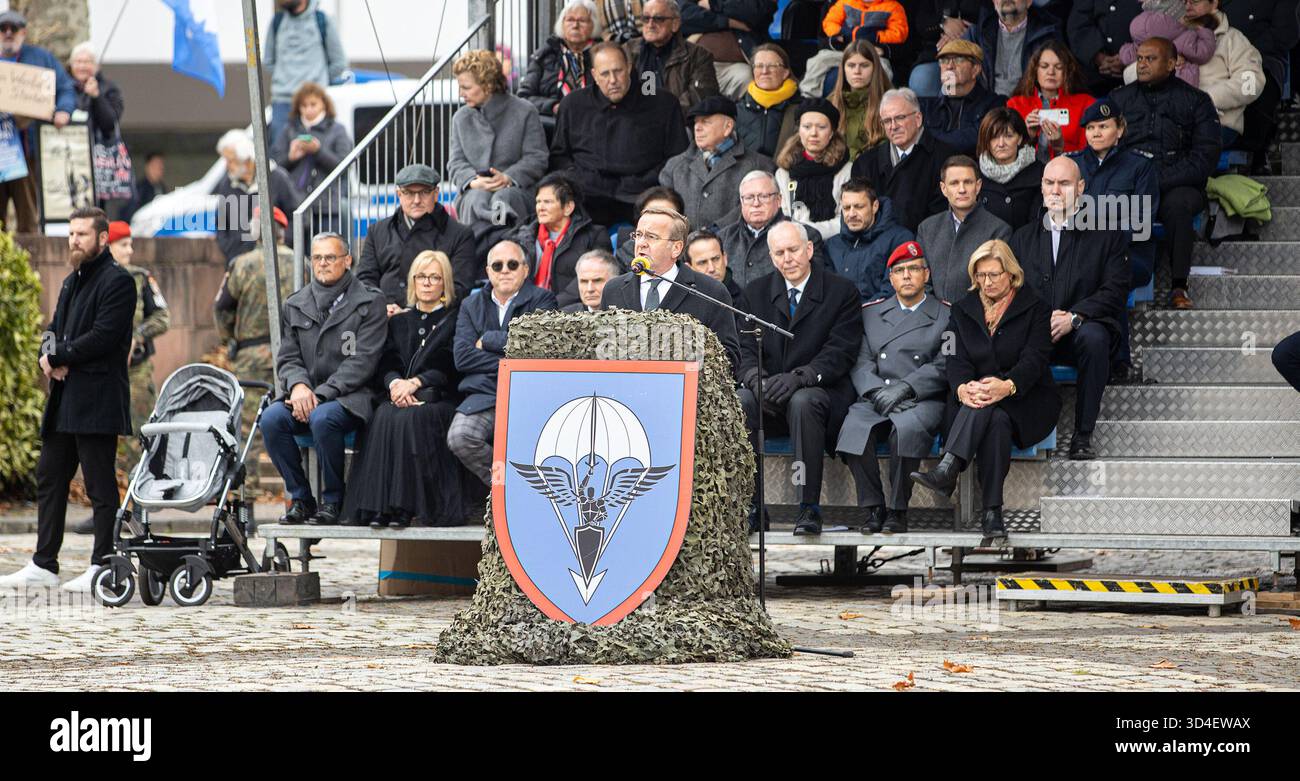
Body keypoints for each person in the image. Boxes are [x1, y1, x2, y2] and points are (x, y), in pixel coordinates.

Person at [0, 208, 134, 592]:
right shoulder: (72, 280)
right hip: (65, 398)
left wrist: (58, 357)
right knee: (50, 476)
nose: (75, 240)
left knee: (99, 483)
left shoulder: (118, 281)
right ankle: (44, 563)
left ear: (103, 238)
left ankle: (102, 563)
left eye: (82, 234)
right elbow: (53, 327)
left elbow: (104, 336)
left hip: (97, 398)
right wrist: (48, 353)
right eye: (71, 234)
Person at [909, 239, 1061, 537]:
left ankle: (949, 466)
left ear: (1011, 274)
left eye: (994, 275)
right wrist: (963, 388)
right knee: (995, 421)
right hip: (976, 398)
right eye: (980, 276)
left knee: (996, 412)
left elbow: (1036, 358)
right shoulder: (963, 310)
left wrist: (1007, 385)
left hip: (1024, 397)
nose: (987, 282)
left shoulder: (1036, 307)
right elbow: (953, 355)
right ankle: (993, 514)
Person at [737, 220, 863, 534]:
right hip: (771, 394)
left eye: (793, 249)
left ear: (809, 249)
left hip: (821, 395)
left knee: (803, 403)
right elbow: (745, 349)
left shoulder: (841, 291)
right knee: (742, 401)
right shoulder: (755, 293)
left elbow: (840, 351)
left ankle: (808, 508)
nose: (787, 258)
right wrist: (757, 381)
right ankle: (754, 505)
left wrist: (801, 377)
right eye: (779, 253)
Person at [262, 232, 387, 527]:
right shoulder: (296, 303)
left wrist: (321, 394)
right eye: (317, 258)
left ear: (347, 260)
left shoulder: (369, 302)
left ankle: (333, 501)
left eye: (330, 257)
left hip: (351, 397)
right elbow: (288, 357)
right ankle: (302, 499)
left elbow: (364, 361)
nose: (322, 264)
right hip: (306, 395)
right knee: (271, 419)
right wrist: (299, 386)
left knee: (323, 419)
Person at [1009, 156, 1129, 459]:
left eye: (1064, 183)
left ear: (1081, 187)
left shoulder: (1107, 234)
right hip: (1037, 331)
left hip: (1081, 330)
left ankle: (1082, 436)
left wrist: (1075, 316)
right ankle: (1016, 433)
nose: (1055, 190)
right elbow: (1011, 290)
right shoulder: (1022, 238)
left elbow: (1115, 290)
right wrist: (1040, 319)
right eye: (1049, 183)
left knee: (1095, 338)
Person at [344, 251, 472, 528]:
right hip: (398, 394)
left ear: (444, 282)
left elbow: (450, 363)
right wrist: (394, 384)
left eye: (434, 277)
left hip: (437, 397)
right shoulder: (399, 321)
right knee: (383, 416)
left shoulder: (455, 319)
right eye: (421, 276)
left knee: (414, 418)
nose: (427, 283)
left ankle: (406, 506)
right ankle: (381, 507)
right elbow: (385, 361)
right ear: (413, 281)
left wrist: (417, 383)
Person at [836, 241, 952, 533]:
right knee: (854, 429)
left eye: (914, 269)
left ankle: (898, 510)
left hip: (921, 398)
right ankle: (874, 507)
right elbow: (860, 361)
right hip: (876, 396)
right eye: (899, 270)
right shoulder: (871, 313)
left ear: (926, 274)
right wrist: (876, 391)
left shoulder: (946, 314)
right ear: (890, 278)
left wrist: (905, 388)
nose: (907, 275)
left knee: (905, 431)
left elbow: (945, 363)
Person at [1110, 37, 1220, 309]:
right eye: (1140, 58)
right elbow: (1106, 148)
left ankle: (1178, 287)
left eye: (1151, 58)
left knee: (1178, 205)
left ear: (1172, 64)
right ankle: (1110, 284)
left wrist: (1155, 181)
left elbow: (1204, 158)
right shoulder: (1119, 99)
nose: (1143, 64)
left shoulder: (1196, 100)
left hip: (1177, 184)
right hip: (1130, 183)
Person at [449, 241, 558, 488]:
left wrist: (487, 339)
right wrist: (510, 359)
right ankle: (511, 488)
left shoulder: (544, 300)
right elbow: (462, 357)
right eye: (497, 266)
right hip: (484, 394)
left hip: (527, 394)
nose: (505, 270)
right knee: (460, 437)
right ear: (488, 271)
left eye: (512, 264)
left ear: (526, 269)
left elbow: (537, 348)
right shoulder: (470, 304)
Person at [549, 42, 690, 228]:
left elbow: (678, 157)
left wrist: (648, 181)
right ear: (594, 76)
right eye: (605, 74)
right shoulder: (572, 105)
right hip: (589, 196)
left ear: (629, 68)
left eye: (618, 71)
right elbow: (559, 157)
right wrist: (581, 179)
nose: (613, 80)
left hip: (644, 194)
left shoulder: (663, 104)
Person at [212, 206, 296, 499]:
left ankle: (242, 503)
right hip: (292, 355)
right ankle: (296, 500)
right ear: (282, 231)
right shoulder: (301, 263)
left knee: (248, 433)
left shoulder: (242, 263)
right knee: (295, 424)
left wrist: (230, 339)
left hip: (250, 356)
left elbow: (221, 307)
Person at [601, 206, 742, 371]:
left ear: (676, 248)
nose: (641, 243)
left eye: (651, 237)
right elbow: (602, 349)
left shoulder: (710, 292)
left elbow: (729, 357)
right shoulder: (614, 289)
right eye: (638, 235)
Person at [447, 50, 549, 240]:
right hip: (475, 190)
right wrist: (472, 180)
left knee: (503, 199)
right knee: (476, 198)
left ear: (487, 85)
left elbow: (537, 157)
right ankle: (477, 250)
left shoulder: (524, 111)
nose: (461, 94)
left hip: (516, 190)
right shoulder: (461, 118)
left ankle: (509, 248)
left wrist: (508, 177)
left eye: (466, 87)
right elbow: (456, 162)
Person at [1067, 97, 1159, 294]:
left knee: (1105, 274)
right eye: (1090, 128)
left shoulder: (1140, 166)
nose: (1096, 133)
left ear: (1119, 130)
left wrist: (1098, 237)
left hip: (1129, 253)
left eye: (1103, 126)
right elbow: (1060, 214)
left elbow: (1141, 223)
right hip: (1078, 251)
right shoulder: (1072, 165)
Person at [355, 163, 478, 310]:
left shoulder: (460, 235)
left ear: (436, 193)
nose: (417, 200)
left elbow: (460, 288)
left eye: (425, 192)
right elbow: (365, 280)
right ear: (399, 194)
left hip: (435, 324)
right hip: (383, 319)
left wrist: (416, 312)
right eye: (409, 193)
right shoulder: (377, 231)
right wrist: (382, 308)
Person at [0, 10, 75, 234]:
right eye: (3, 29)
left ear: (23, 32)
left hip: (26, 150)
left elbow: (65, 88)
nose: (8, 33)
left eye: (13, 29)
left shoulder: (41, 58)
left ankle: (29, 264)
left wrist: (63, 110)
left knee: (29, 215)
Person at [660, 95, 776, 232]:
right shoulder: (674, 166)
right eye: (696, 122)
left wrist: (716, 231)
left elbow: (759, 208)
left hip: (735, 248)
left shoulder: (760, 166)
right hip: (685, 248)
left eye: (705, 122)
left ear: (728, 127)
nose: (697, 128)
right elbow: (665, 210)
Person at [850, 87, 956, 233]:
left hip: (923, 247)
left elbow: (942, 217)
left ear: (918, 119)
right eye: (887, 121)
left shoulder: (946, 158)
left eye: (900, 118)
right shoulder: (865, 163)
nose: (893, 126)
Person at [1166, 0, 1263, 148]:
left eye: (1195, 1)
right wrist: (1165, 62)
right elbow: (1136, 72)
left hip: (1217, 123)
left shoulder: (1232, 38)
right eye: (1184, 1)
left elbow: (1251, 83)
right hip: (1170, 123)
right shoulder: (1168, 37)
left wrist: (1206, 99)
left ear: (1214, 3)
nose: (1187, 6)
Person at [917, 154, 1012, 302]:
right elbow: (922, 279)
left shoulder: (999, 230)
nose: (962, 189)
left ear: (978, 186)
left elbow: (996, 286)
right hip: (933, 319)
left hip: (977, 318)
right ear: (943, 188)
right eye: (954, 183)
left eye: (967, 182)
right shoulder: (927, 228)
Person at [718, 170, 830, 290]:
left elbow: (815, 285)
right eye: (749, 197)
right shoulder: (723, 237)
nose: (756, 203)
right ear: (741, 201)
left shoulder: (806, 234)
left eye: (764, 196)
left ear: (779, 200)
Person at [510, 173, 610, 307]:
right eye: (538, 202)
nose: (540, 207)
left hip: (569, 312)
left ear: (568, 207)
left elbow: (591, 282)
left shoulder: (593, 236)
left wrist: (548, 307)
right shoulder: (523, 237)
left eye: (548, 202)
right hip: (528, 310)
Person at [270, 81, 354, 238]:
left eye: (313, 104)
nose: (308, 109)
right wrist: (290, 157)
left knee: (327, 252)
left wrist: (318, 151)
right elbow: (274, 165)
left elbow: (344, 165)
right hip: (296, 205)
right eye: (304, 105)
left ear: (324, 104)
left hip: (328, 206)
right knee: (302, 256)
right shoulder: (289, 130)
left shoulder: (337, 130)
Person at [1226, 0, 1299, 174]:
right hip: (1218, 56)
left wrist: (1243, 52)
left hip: (1259, 59)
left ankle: (1251, 154)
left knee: (1251, 88)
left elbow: (1285, 34)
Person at [264, 0, 348, 147]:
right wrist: (284, 77)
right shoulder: (277, 22)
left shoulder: (322, 20)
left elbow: (339, 63)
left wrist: (317, 82)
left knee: (316, 154)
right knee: (281, 156)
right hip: (283, 103)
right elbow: (268, 61)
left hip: (312, 103)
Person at [212, 129, 302, 263]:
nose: (227, 166)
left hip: (276, 261)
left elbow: (299, 217)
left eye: (231, 161)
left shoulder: (277, 179)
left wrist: (281, 243)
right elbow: (221, 225)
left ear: (247, 160)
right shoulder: (227, 184)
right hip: (239, 263)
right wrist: (231, 253)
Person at [518, 0, 600, 137]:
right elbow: (523, 97)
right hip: (551, 127)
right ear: (562, 25)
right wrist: (554, 106)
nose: (575, 25)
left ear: (593, 25)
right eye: (570, 20)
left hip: (593, 126)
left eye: (582, 20)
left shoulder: (603, 55)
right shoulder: (544, 56)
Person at [775, 98, 854, 239]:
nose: (813, 133)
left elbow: (845, 219)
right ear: (799, 130)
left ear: (831, 132)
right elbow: (784, 216)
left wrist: (806, 232)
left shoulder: (847, 171)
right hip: (794, 245)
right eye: (807, 127)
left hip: (835, 243)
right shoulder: (784, 172)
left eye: (821, 127)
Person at [825, 178, 914, 302]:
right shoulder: (831, 245)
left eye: (858, 207)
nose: (851, 214)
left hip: (880, 318)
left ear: (875, 206)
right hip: (838, 318)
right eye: (846, 208)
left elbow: (892, 291)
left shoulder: (899, 239)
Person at [1006, 40, 1095, 161]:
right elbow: (1005, 154)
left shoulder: (1086, 104)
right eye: (1044, 66)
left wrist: (1060, 146)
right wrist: (1027, 137)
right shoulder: (1015, 105)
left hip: (1069, 175)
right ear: (1035, 70)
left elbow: (1091, 155)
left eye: (1058, 67)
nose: (1051, 72)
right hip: (1026, 176)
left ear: (1068, 72)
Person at [625, 0, 720, 112]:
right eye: (646, 19)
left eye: (658, 19)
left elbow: (699, 99)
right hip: (635, 123)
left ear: (675, 24)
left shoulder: (699, 56)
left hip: (678, 124)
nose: (650, 25)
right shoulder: (627, 51)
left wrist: (660, 116)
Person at [801, 0, 909, 96]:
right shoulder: (845, 2)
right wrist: (841, 33)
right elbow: (829, 23)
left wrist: (877, 36)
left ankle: (883, 101)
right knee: (818, 60)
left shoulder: (893, 6)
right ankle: (808, 97)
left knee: (884, 68)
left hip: (871, 51)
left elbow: (899, 33)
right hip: (845, 49)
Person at [918, 39, 1004, 156]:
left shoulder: (994, 104)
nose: (949, 66)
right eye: (944, 60)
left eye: (958, 60)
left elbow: (975, 141)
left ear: (975, 69)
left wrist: (929, 139)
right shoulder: (926, 106)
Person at [677, 0, 778, 100]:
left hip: (739, 65)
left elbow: (756, 11)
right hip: (696, 64)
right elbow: (682, 15)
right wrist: (729, 22)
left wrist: (713, 4)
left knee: (751, 80)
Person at [68, 41, 127, 210]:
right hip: (71, 156)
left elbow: (109, 123)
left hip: (99, 161)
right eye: (78, 62)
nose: (82, 66)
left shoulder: (110, 89)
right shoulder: (65, 89)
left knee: (96, 209)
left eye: (87, 62)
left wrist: (96, 97)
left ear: (96, 65)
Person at [962, 0, 1062, 98]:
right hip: (986, 109)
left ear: (1029, 2)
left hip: (1030, 108)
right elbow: (955, 75)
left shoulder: (1048, 35)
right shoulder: (977, 34)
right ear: (994, 2)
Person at [1118, 0, 1216, 88]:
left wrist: (1123, 52)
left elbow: (1126, 54)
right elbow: (1203, 52)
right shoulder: (1186, 37)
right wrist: (1205, 31)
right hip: (1183, 87)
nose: (1188, 8)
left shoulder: (1142, 43)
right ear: (1175, 21)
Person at [974, 107, 1043, 229]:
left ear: (1020, 138)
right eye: (994, 137)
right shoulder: (974, 173)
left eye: (1008, 136)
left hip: (1023, 244)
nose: (1001, 144)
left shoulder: (1039, 172)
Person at [827, 40, 892, 159]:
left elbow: (889, 149)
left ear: (875, 68)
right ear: (843, 68)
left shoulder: (891, 103)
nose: (857, 71)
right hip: (836, 169)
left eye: (864, 65)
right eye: (851, 65)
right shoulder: (830, 103)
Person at [735, 43, 803, 158]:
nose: (765, 71)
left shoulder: (802, 109)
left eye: (772, 66)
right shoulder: (735, 110)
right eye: (759, 66)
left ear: (785, 72)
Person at [905, 0, 985, 97]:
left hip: (975, 49)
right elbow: (921, 22)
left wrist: (963, 33)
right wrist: (943, 22)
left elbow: (992, 19)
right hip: (937, 52)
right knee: (922, 79)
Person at [1067, 0, 1142, 91]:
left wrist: (1128, 58)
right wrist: (1098, 57)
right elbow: (1078, 23)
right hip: (1096, 75)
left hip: (1140, 73)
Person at [684, 228, 742, 299]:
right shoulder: (679, 299)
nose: (712, 269)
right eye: (702, 263)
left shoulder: (744, 302)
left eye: (716, 259)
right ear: (688, 268)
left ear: (725, 259)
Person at [123, 152, 169, 221]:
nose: (159, 169)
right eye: (155, 166)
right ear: (147, 167)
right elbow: (131, 212)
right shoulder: (140, 189)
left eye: (161, 166)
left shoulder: (162, 188)